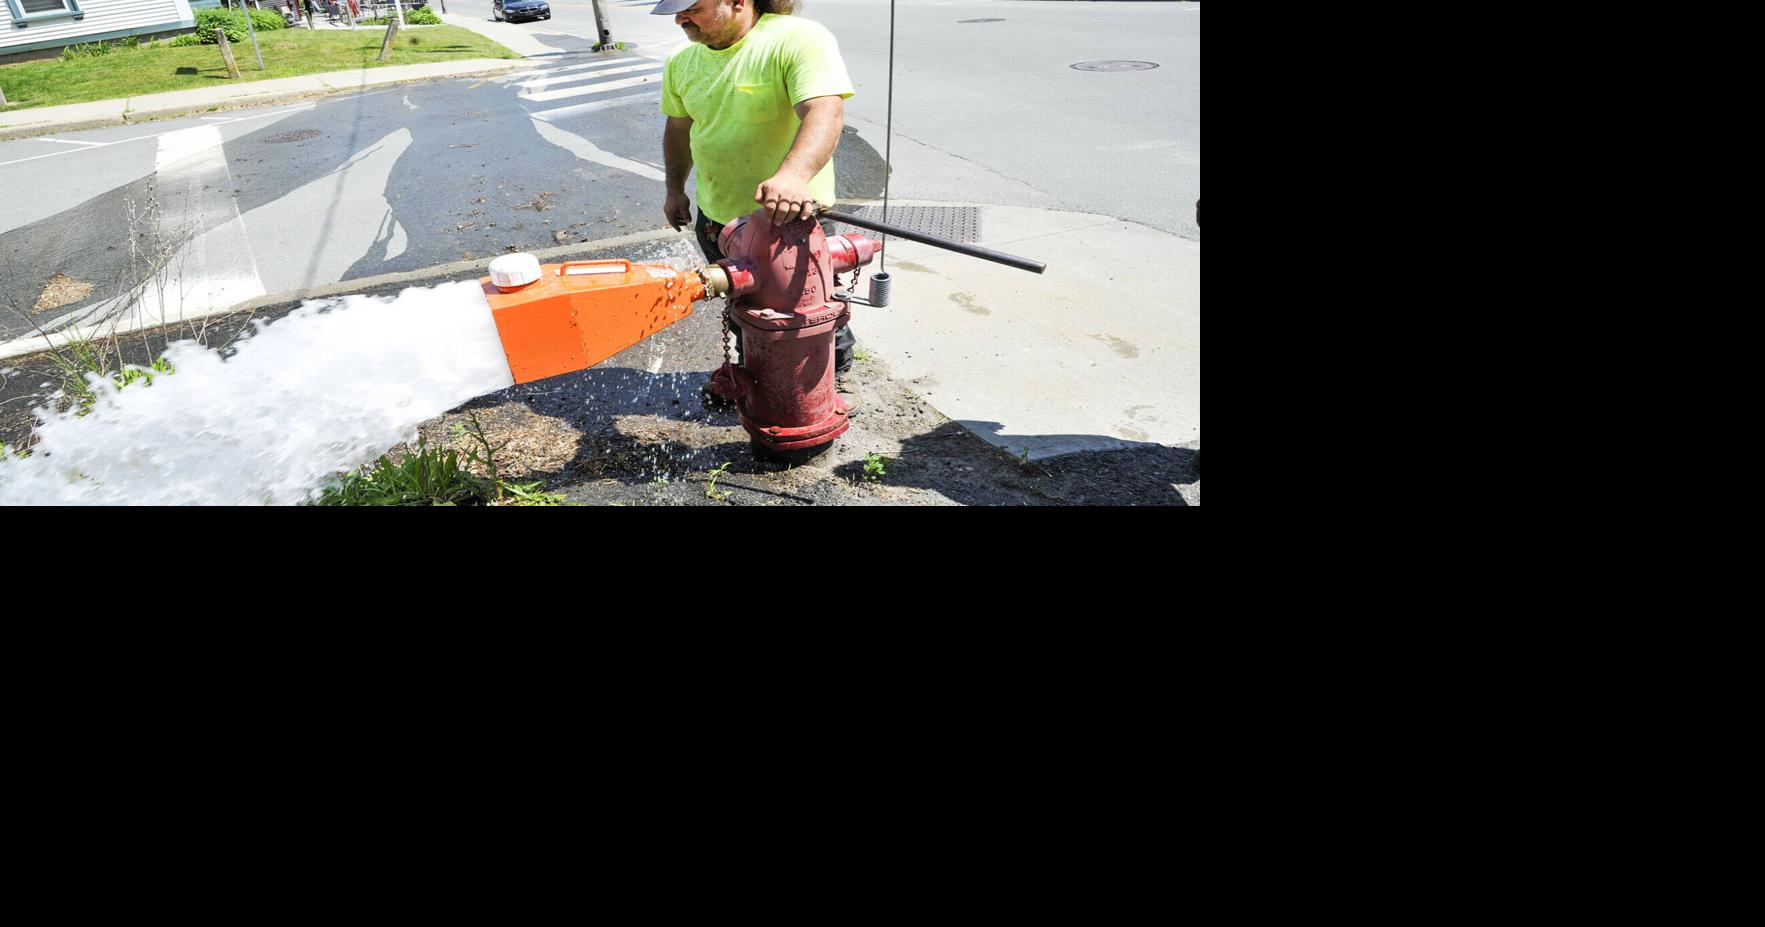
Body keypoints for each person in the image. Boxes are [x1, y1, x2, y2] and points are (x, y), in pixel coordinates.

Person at [654, 0, 860, 389]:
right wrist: (674, 189)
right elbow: (679, 130)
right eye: (676, 10)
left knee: (809, 312)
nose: (680, 18)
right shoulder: (681, 62)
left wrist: (794, 175)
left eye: (692, 7)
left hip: (791, 219)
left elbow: (824, 111)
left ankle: (832, 379)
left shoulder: (796, 39)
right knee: (742, 304)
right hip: (717, 218)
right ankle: (759, 376)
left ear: (737, 1)